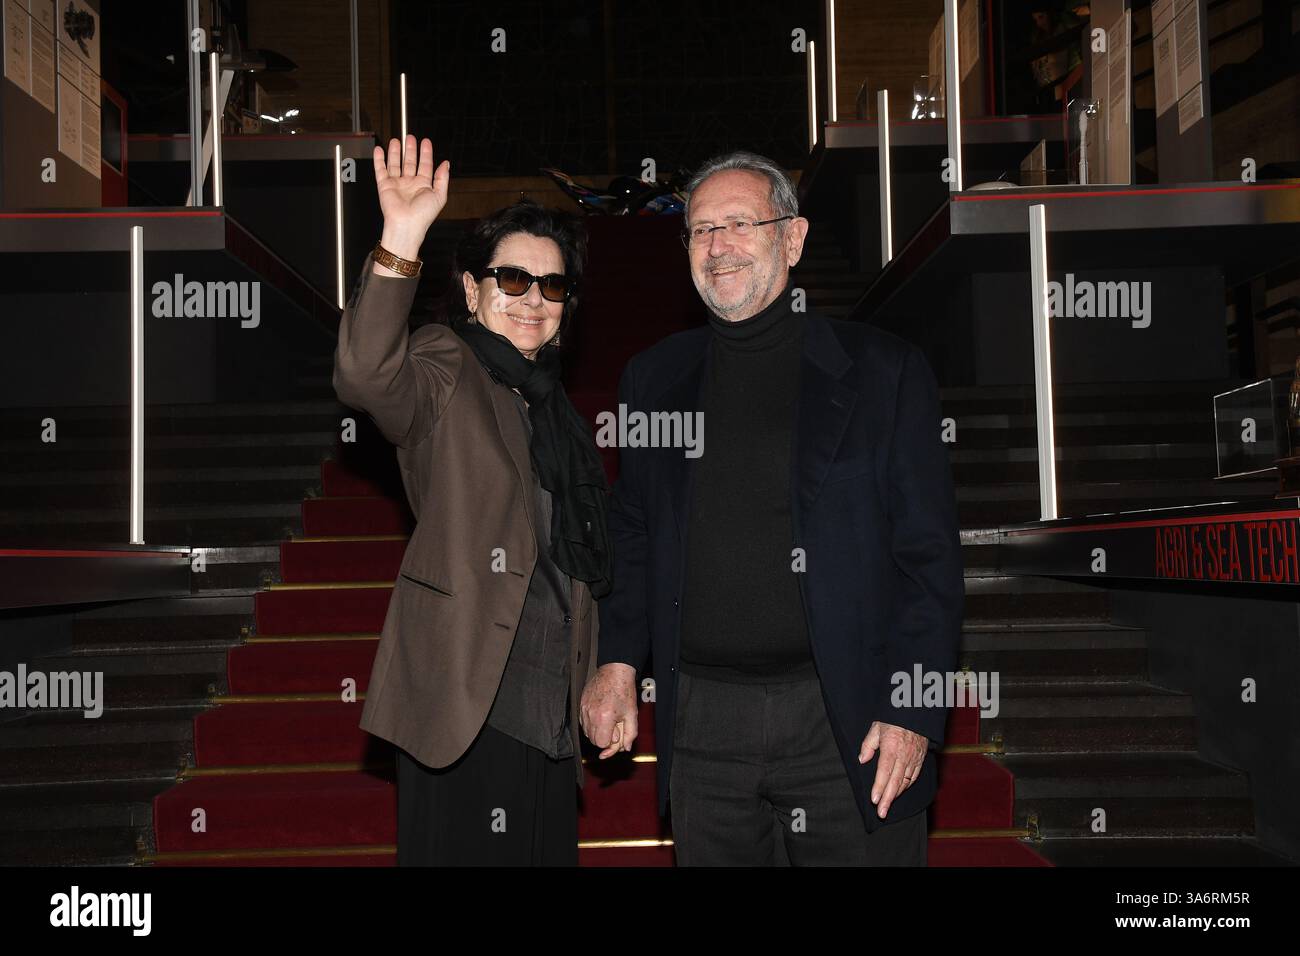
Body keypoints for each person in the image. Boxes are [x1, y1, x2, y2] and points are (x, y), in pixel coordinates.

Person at [580, 150, 963, 865]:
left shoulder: (886, 372)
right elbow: (633, 531)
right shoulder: (653, 378)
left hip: (844, 716)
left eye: (739, 224)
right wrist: (618, 660)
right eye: (699, 230)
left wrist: (911, 709)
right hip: (702, 727)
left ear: (793, 238)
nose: (717, 246)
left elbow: (930, 561)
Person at [333, 135, 611, 865]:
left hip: (550, 710)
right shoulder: (444, 363)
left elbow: (575, 563)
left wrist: (601, 673)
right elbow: (365, 376)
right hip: (465, 700)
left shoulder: (558, 414)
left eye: (552, 287)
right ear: (471, 290)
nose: (532, 301)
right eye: (511, 280)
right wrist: (401, 237)